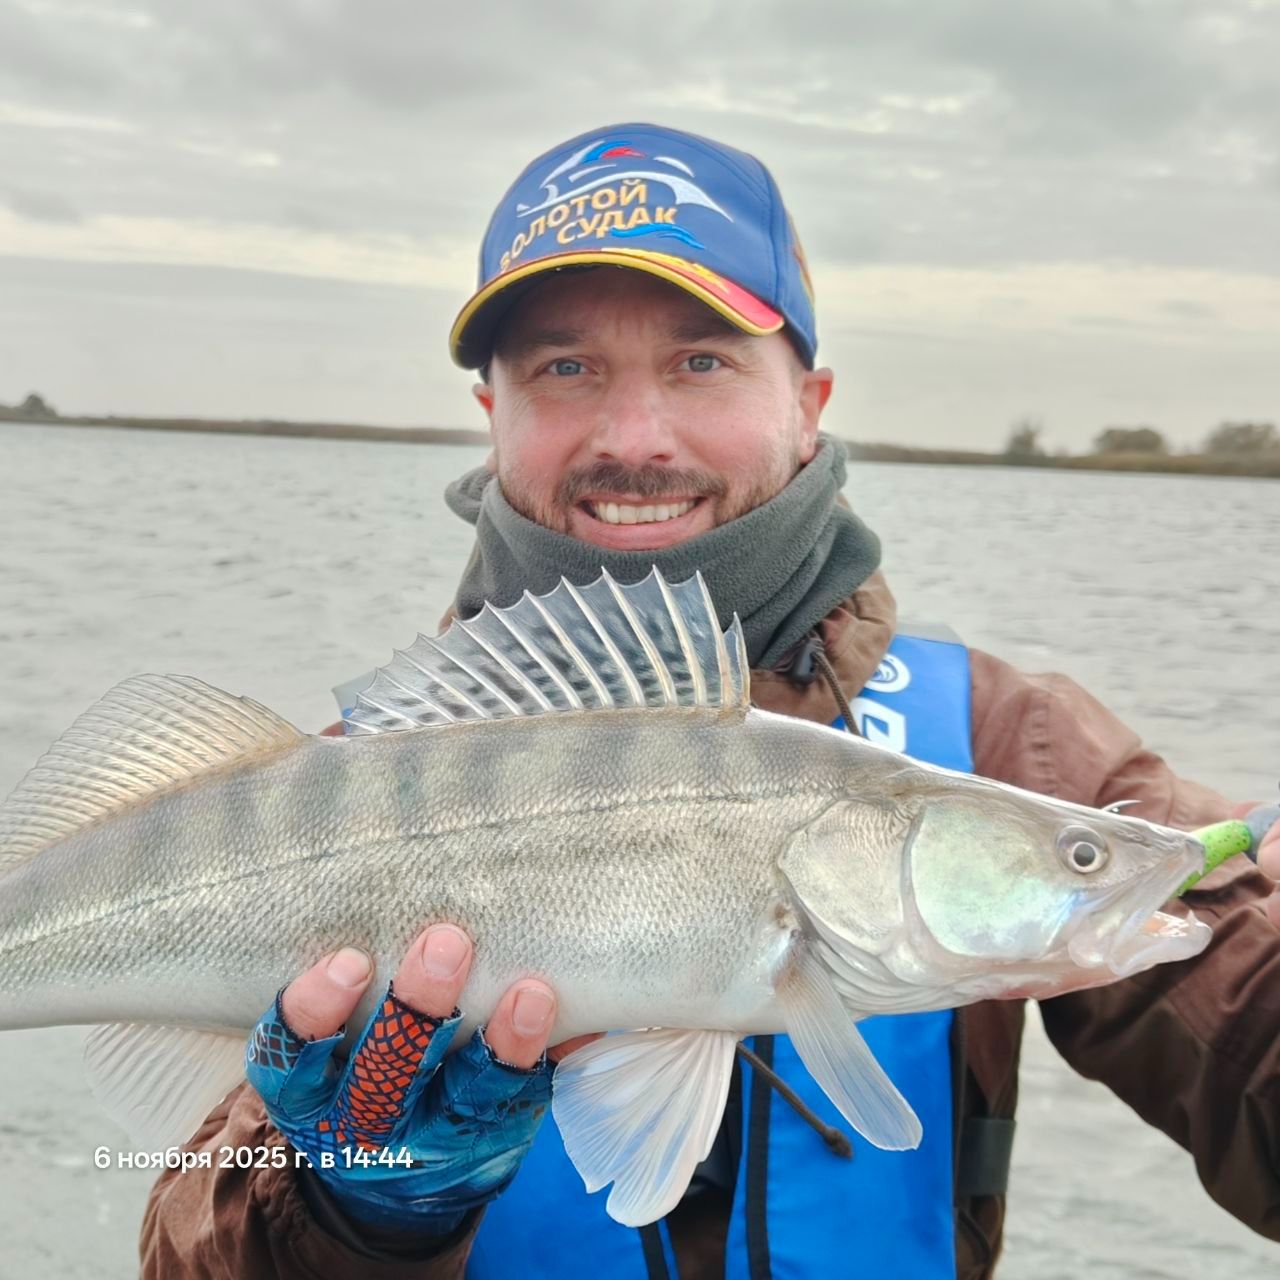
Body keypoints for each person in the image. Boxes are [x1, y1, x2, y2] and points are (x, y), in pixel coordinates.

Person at [140, 123, 1280, 1279]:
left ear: (808, 401)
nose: (634, 438)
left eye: (701, 360)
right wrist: (362, 1209)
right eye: (562, 366)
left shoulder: (1012, 743)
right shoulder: (325, 793)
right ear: (493, 411)